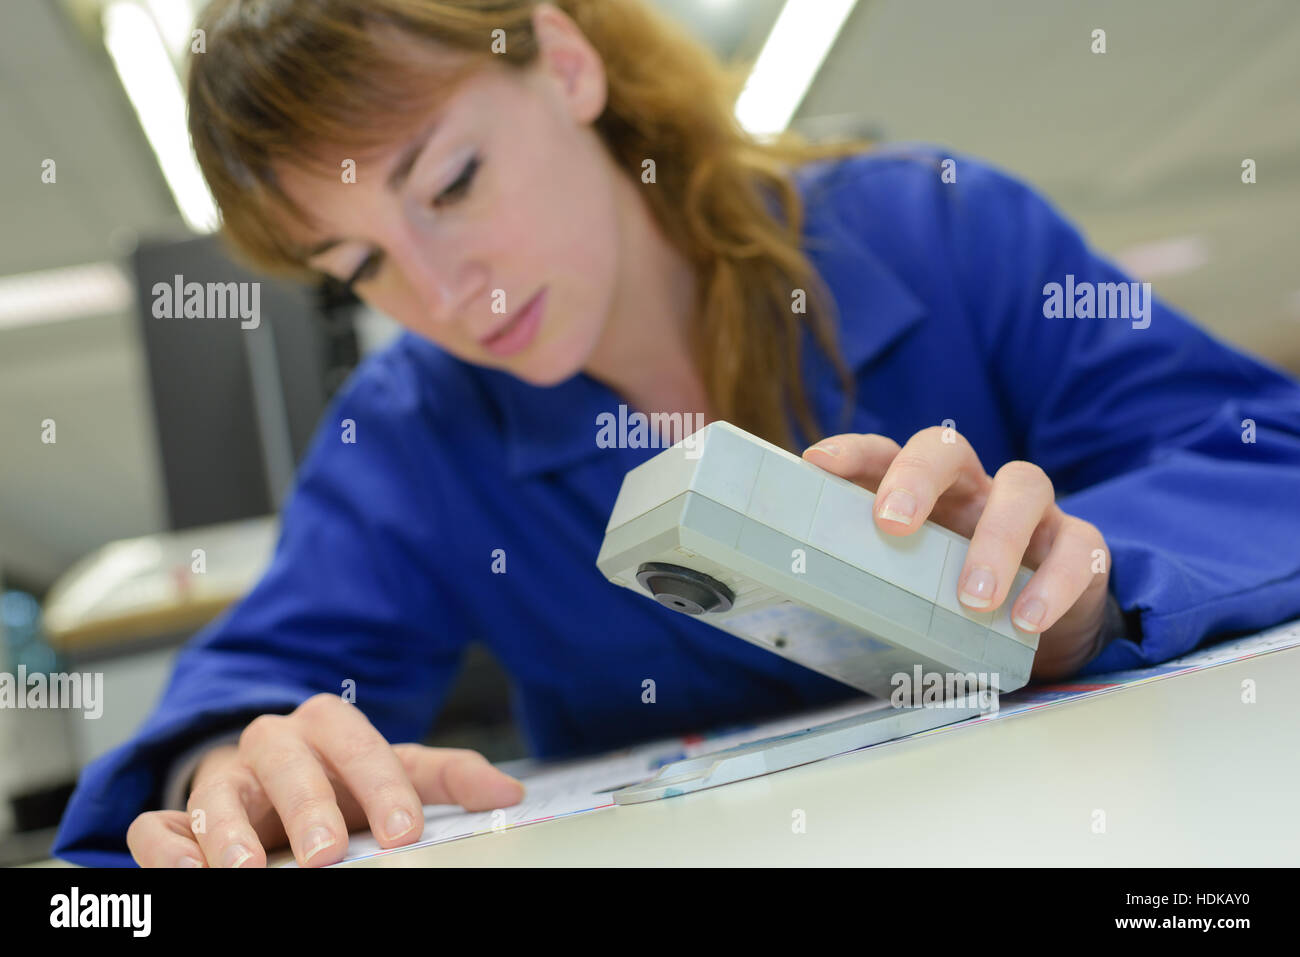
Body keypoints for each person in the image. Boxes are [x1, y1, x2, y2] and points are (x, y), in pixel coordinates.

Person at [54, 0, 1300, 868]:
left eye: (450, 183)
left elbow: (1260, 458)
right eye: (360, 260)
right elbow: (255, 683)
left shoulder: (935, 229)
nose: (441, 293)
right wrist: (218, 769)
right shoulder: (413, 431)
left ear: (564, 63)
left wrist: (1084, 584)